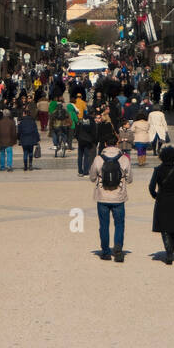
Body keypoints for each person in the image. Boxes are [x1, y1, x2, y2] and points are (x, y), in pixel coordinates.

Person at [89, 132, 133, 262]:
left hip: (102, 196)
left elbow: (92, 177)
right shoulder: (124, 158)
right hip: (119, 196)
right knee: (119, 224)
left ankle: (106, 252)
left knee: (104, 225)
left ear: (105, 144)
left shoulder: (98, 158)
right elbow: (130, 179)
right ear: (117, 143)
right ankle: (118, 250)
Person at [149, 145, 174, 265]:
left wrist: (156, 195)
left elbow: (151, 187)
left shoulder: (157, 170)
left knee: (164, 227)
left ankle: (168, 250)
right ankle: (171, 251)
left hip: (162, 199)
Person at [75, 110, 97, 177]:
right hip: (88, 141)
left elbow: (76, 131)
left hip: (81, 141)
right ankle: (86, 171)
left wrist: (78, 138)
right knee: (86, 156)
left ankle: (80, 171)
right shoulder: (92, 121)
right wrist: (93, 141)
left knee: (80, 156)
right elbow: (94, 132)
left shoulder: (81, 121)